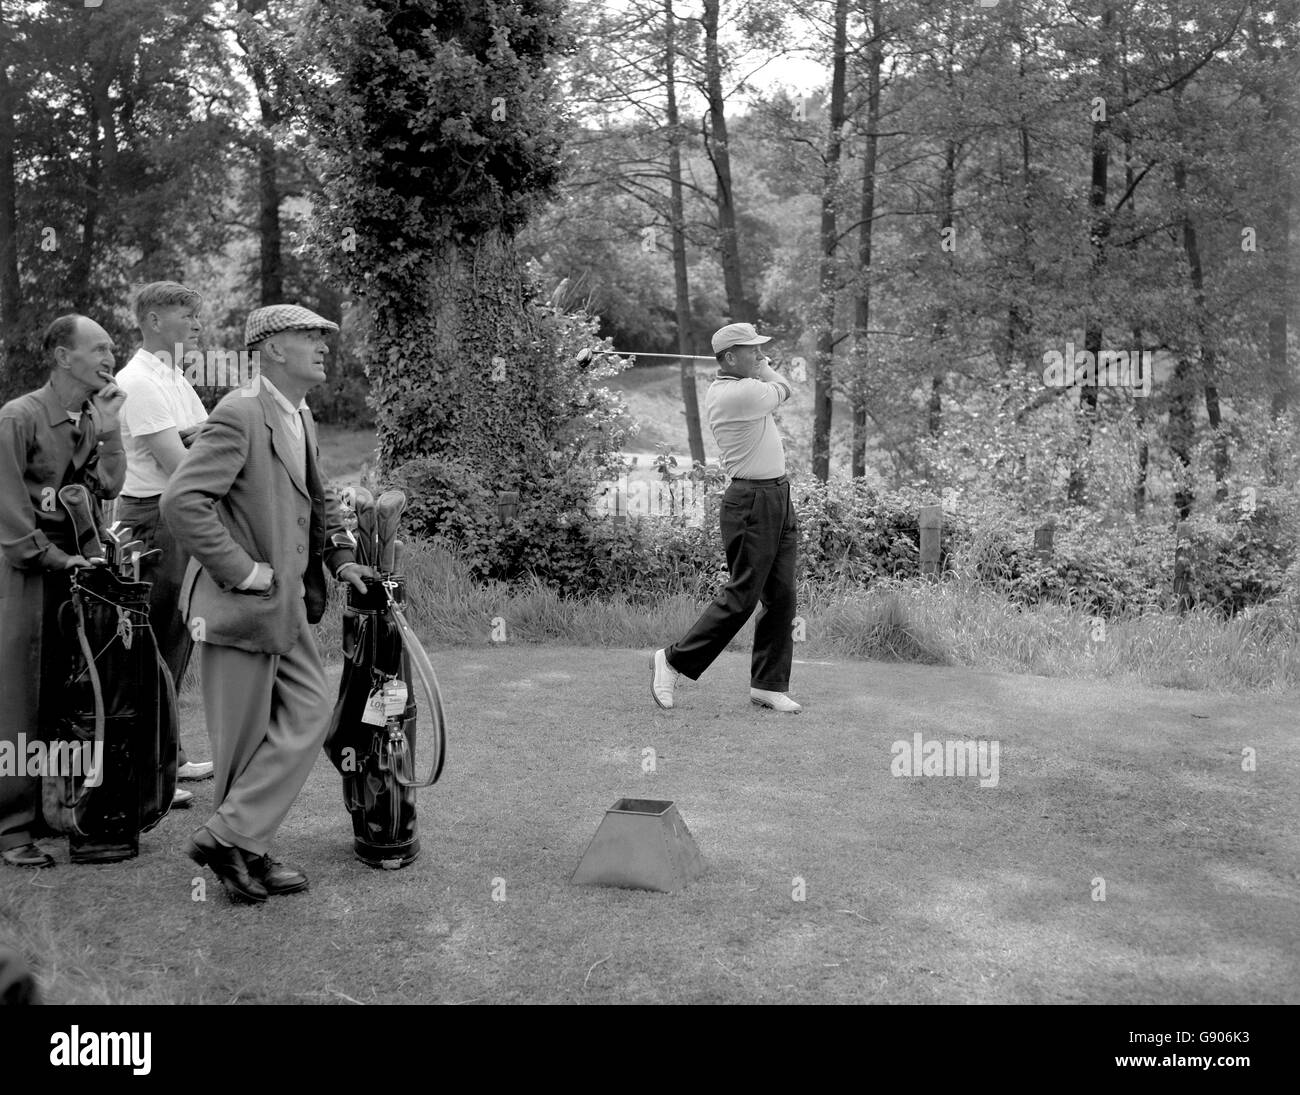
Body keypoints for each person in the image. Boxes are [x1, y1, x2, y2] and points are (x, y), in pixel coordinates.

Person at [161, 304, 374, 903]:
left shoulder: (297, 413)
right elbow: (183, 502)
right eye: (312, 336)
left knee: (309, 712)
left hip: (283, 609)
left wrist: (341, 558)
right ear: (274, 348)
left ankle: (229, 837)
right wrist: (243, 570)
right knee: (243, 738)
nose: (324, 346)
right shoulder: (240, 412)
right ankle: (240, 856)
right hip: (239, 608)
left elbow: (320, 496)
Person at [0, 315, 127, 868]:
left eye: (112, 349)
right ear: (60, 355)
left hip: (69, 571)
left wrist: (112, 429)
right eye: (98, 349)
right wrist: (53, 556)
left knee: (61, 692)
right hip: (21, 573)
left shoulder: (92, 419)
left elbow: (109, 487)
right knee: (16, 700)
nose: (109, 357)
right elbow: (6, 515)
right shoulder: (19, 417)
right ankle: (9, 832)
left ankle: (51, 810)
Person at [650, 322, 802, 713]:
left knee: (782, 595)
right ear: (730, 357)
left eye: (759, 349)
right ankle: (672, 660)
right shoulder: (737, 392)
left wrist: (757, 363)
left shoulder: (743, 384)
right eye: (751, 349)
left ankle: (768, 684)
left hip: (777, 495)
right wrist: (765, 366)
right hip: (751, 501)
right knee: (742, 596)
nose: (758, 354)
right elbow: (786, 388)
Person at [114, 281, 215, 806]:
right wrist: (197, 441)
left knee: (178, 637)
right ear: (154, 320)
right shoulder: (139, 382)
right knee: (153, 644)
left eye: (198, 317)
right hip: (154, 520)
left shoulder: (174, 376)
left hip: (175, 516)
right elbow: (182, 465)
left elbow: (205, 436)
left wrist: (197, 440)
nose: (198, 325)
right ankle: (148, 772)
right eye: (187, 315)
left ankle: (168, 757)